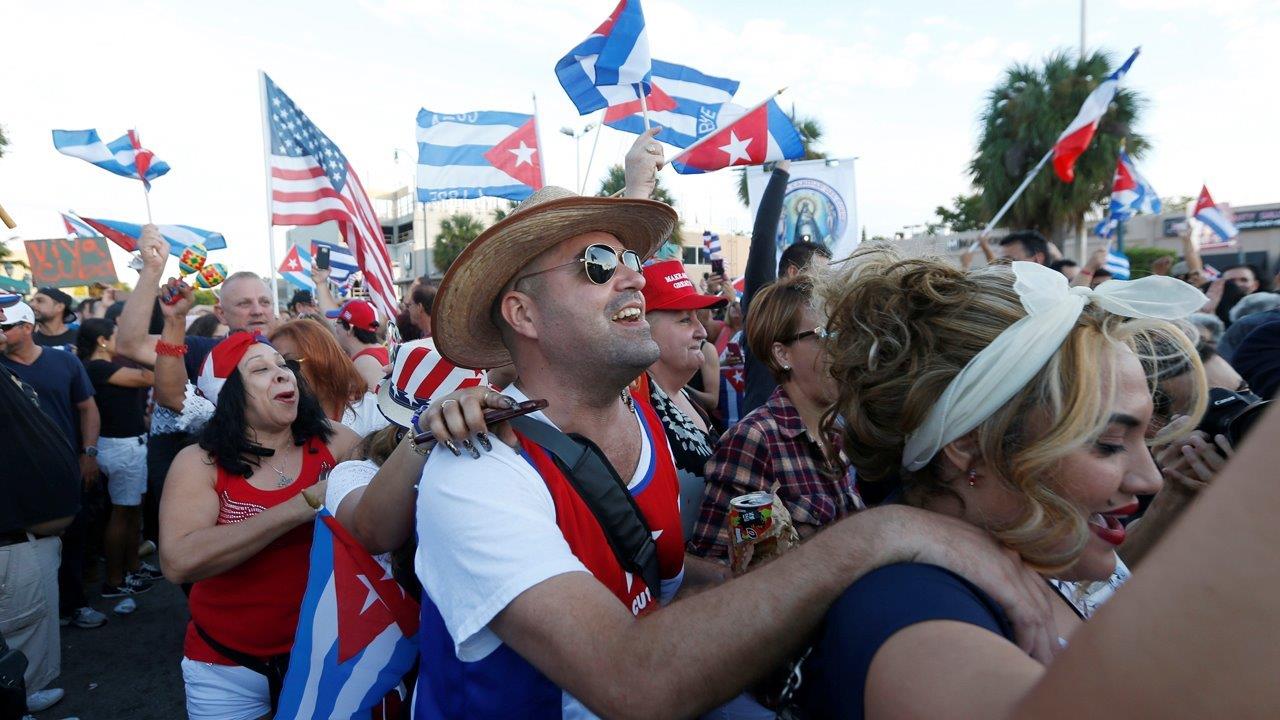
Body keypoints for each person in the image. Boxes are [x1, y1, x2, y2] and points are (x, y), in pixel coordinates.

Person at [408, 136, 1054, 719]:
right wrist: (887, 536)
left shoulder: (639, 417)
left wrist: (782, 578)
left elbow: (662, 589)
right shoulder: (479, 470)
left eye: (630, 257)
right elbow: (629, 680)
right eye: (598, 263)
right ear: (523, 314)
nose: (634, 275)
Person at [795, 246, 1208, 718]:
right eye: (1109, 443)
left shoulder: (1033, 550)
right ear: (968, 444)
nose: (1150, 478)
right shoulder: (918, 622)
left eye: (1145, 436)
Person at [158, 322, 359, 720]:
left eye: (283, 365)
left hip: (326, 653)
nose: (283, 374)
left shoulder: (338, 442)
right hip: (226, 665)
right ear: (229, 394)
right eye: (260, 369)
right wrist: (300, 506)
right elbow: (179, 561)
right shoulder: (199, 462)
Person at [689, 274, 860, 563]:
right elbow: (722, 565)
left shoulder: (834, 433)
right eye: (825, 335)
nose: (841, 349)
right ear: (782, 354)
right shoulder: (756, 441)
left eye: (842, 335)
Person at [0, 293, 81, 717]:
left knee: (24, 640)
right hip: (12, 538)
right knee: (15, 639)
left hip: (29, 537)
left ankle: (24, 699)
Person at [0, 302, 105, 630]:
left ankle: (75, 604)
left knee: (73, 538)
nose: (1, 333)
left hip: (65, 468)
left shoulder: (64, 361)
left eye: (5, 327)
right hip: (14, 475)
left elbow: (87, 408)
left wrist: (89, 453)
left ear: (27, 327)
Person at [636, 259, 727, 536]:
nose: (702, 331)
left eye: (698, 318)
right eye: (685, 319)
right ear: (643, 328)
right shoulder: (633, 407)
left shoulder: (686, 396)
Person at [116, 225, 276, 382]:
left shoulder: (290, 345)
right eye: (244, 304)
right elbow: (131, 346)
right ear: (221, 314)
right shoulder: (204, 353)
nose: (257, 311)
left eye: (265, 302)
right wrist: (152, 269)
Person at [75, 319, 160, 598]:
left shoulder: (100, 366)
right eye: (116, 336)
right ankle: (114, 580)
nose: (120, 342)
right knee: (122, 513)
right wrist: (140, 351)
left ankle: (132, 567)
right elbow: (148, 377)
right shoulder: (97, 367)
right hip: (120, 447)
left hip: (127, 445)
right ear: (102, 340)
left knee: (132, 511)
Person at [267, 318, 388, 437]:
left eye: (288, 363)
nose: (280, 374)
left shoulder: (374, 413)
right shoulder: (279, 428)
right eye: (268, 368)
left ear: (323, 360)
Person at [325, 299, 389, 392]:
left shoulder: (365, 362)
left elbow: (377, 400)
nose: (335, 327)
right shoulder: (377, 350)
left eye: (337, 322)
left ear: (350, 329)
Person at [30, 287, 79, 353]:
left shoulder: (80, 339)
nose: (32, 304)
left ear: (59, 307)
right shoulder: (28, 342)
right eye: (32, 300)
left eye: (40, 301)